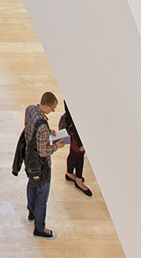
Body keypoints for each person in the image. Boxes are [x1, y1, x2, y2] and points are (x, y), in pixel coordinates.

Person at [24, 90, 65, 238]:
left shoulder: (30, 109)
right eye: (52, 109)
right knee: (42, 195)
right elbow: (43, 152)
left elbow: (31, 129)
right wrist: (56, 147)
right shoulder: (42, 127)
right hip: (41, 165)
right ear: (47, 106)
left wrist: (48, 131)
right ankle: (39, 229)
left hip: (29, 158)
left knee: (31, 184)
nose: (51, 112)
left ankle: (31, 212)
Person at [59, 100, 92, 196]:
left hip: (75, 129)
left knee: (75, 152)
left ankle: (70, 174)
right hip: (77, 131)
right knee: (78, 153)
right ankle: (78, 180)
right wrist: (81, 143)